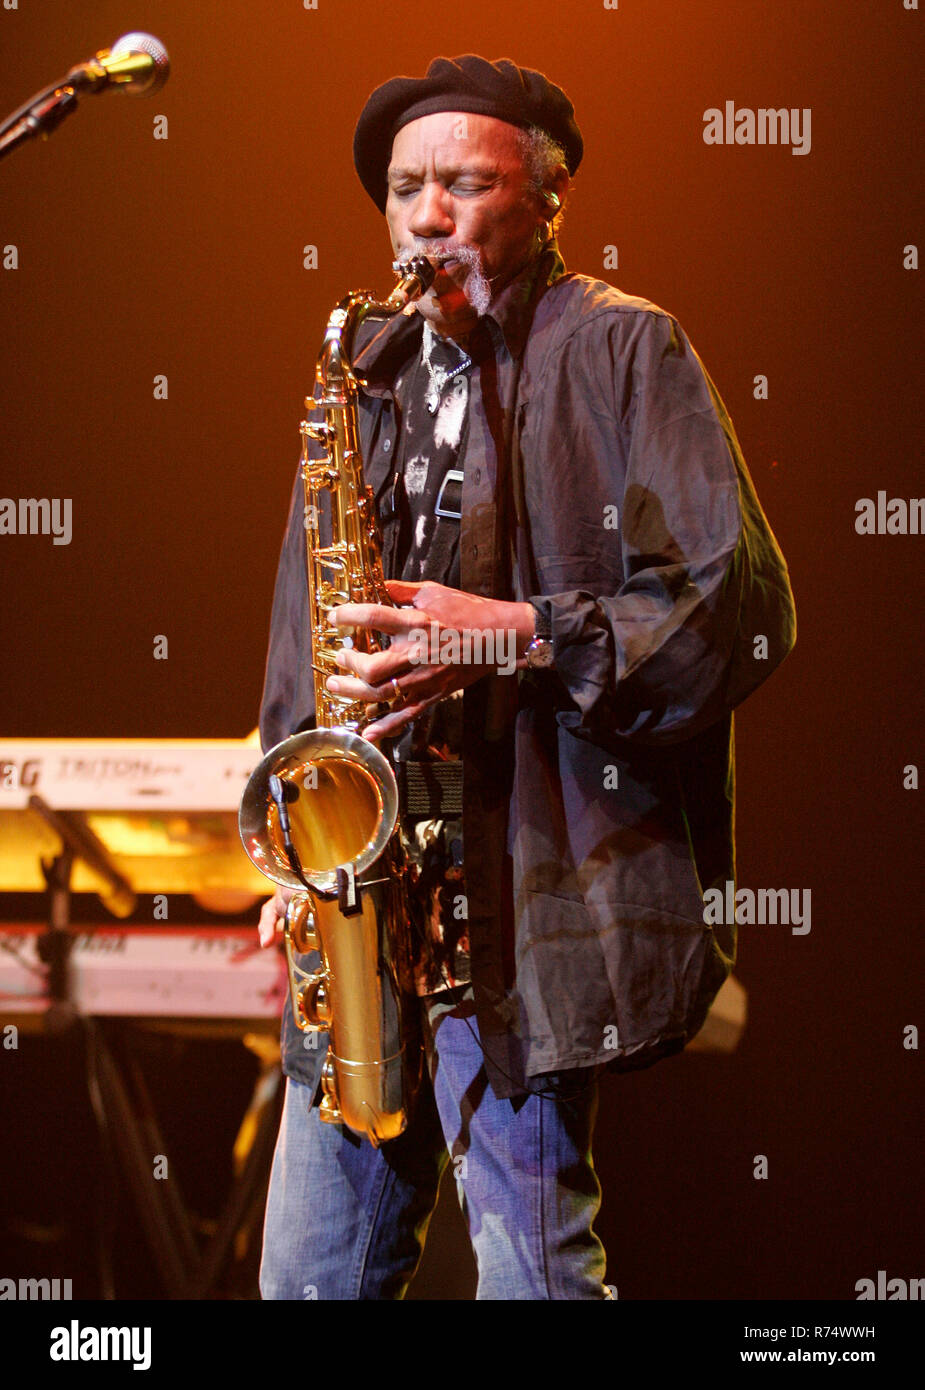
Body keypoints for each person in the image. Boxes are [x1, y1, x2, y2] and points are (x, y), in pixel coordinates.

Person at [254, 55, 796, 1300]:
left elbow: (735, 608)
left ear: (549, 197)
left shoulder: (624, 347)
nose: (424, 217)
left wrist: (510, 631)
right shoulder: (364, 373)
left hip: (527, 892)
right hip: (365, 893)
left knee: (533, 1280)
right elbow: (304, 640)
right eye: (403, 191)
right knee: (304, 1287)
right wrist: (289, 849)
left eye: (460, 185)